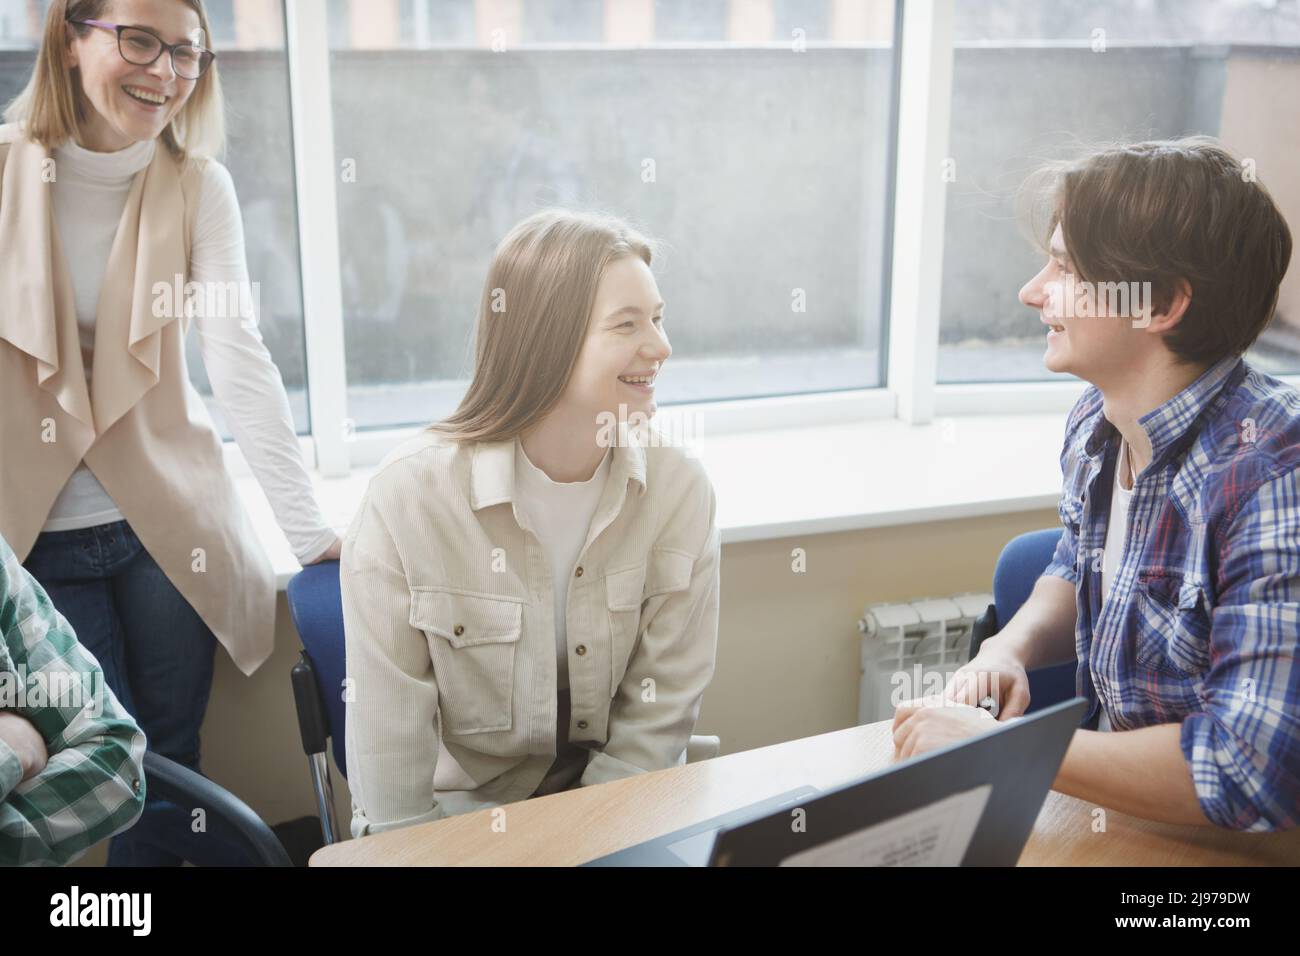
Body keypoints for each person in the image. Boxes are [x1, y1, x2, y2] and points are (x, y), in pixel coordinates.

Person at [0, 0, 340, 864]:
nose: (165, 72)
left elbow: (238, 356)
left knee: (172, 768)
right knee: (100, 785)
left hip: (168, 532)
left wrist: (308, 532)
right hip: (35, 536)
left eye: (188, 52)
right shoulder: (6, 170)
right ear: (71, 39)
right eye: (139, 40)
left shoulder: (196, 185)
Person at [894, 137, 1298, 831]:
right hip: (1122, 813)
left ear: (1162, 303)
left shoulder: (1273, 473)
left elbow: (1244, 768)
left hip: (1227, 849)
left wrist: (1002, 748)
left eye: (1063, 267)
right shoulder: (1099, 418)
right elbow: (1075, 560)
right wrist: (1007, 650)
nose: (1032, 292)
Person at [342, 208, 721, 836]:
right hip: (459, 824)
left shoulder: (679, 490)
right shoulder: (407, 502)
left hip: (623, 810)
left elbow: (657, 723)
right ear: (545, 343)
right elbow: (391, 778)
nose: (660, 346)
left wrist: (577, 843)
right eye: (626, 325)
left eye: (657, 318)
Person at [0, 531, 146, 866]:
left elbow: (115, 760)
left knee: (171, 756)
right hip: (50, 538)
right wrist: (13, 752)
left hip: (144, 536)